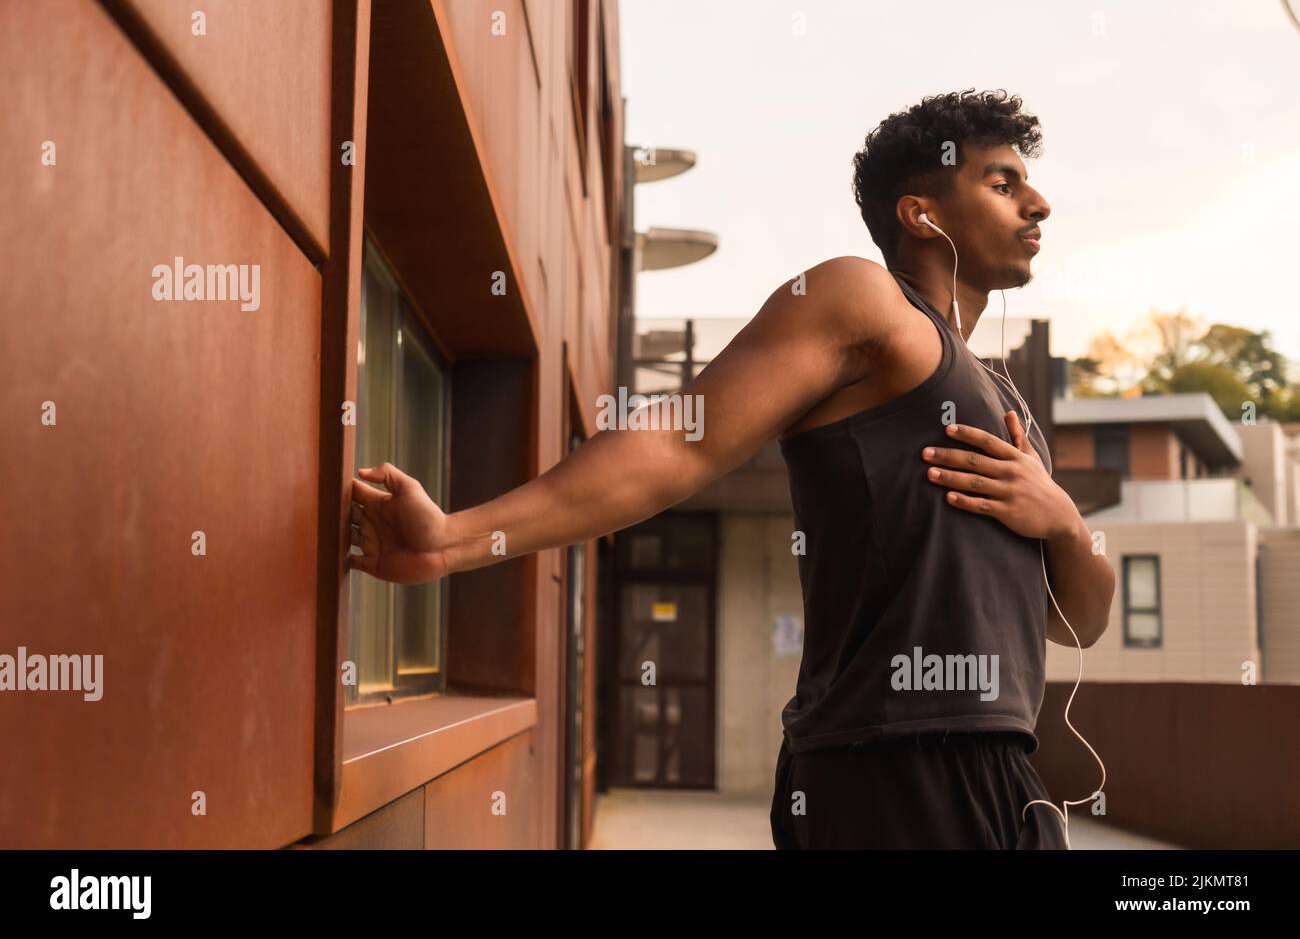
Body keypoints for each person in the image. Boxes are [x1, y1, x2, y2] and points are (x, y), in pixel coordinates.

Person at [347, 88, 1116, 849]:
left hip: (1004, 769)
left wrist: (1061, 520)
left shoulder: (1008, 400)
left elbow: (1075, 619)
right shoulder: (867, 299)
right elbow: (680, 443)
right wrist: (452, 540)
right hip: (888, 760)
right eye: (1002, 182)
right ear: (923, 214)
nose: (1038, 202)